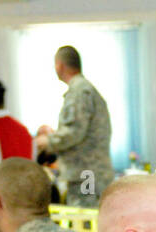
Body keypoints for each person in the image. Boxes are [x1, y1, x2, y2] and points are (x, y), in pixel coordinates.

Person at [36, 46, 114, 207]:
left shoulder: (79, 91)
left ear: (59, 66)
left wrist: (48, 141)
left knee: (86, 219)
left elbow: (75, 131)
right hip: (89, 172)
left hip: (86, 174)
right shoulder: (85, 89)